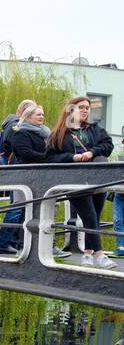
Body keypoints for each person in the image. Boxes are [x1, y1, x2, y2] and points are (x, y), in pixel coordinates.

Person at [46, 95, 117, 268]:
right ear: (71, 109)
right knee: (89, 215)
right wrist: (73, 157)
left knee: (95, 217)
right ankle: (100, 255)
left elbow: (108, 145)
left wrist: (92, 152)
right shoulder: (59, 133)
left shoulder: (94, 129)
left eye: (87, 108)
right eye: (81, 107)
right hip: (74, 180)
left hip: (96, 178)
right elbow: (49, 157)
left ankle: (87, 254)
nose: (85, 110)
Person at [0, 103, 50, 255]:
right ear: (28, 116)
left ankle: (21, 243)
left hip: (37, 175)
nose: (42, 116)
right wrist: (48, 157)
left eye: (43, 114)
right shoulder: (20, 132)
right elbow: (25, 153)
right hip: (23, 175)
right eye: (38, 114)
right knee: (17, 208)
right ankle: (3, 243)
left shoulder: (42, 134)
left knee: (32, 211)